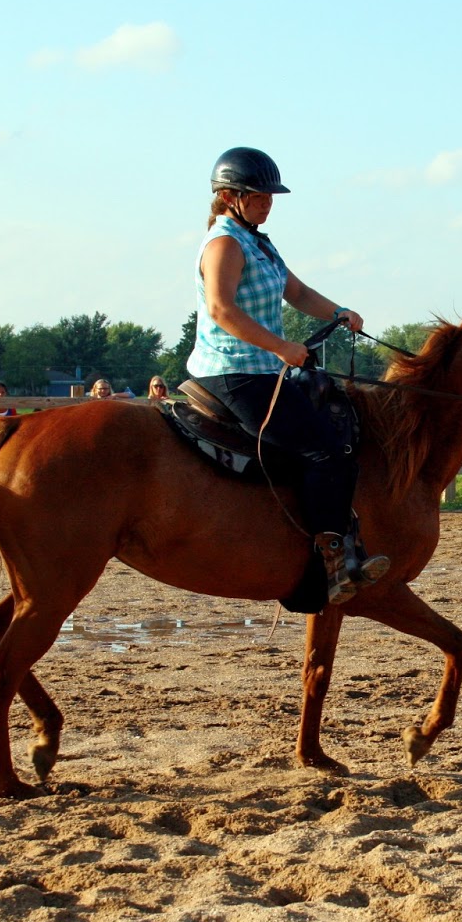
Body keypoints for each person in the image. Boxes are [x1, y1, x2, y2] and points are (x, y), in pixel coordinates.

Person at [187, 146, 389, 606]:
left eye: (269, 195)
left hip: (262, 368)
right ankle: (331, 563)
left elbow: (294, 290)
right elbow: (221, 309)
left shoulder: (258, 241)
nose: (267, 202)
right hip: (234, 372)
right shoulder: (224, 244)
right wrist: (281, 347)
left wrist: (337, 311)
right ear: (227, 196)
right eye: (257, 195)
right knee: (327, 454)